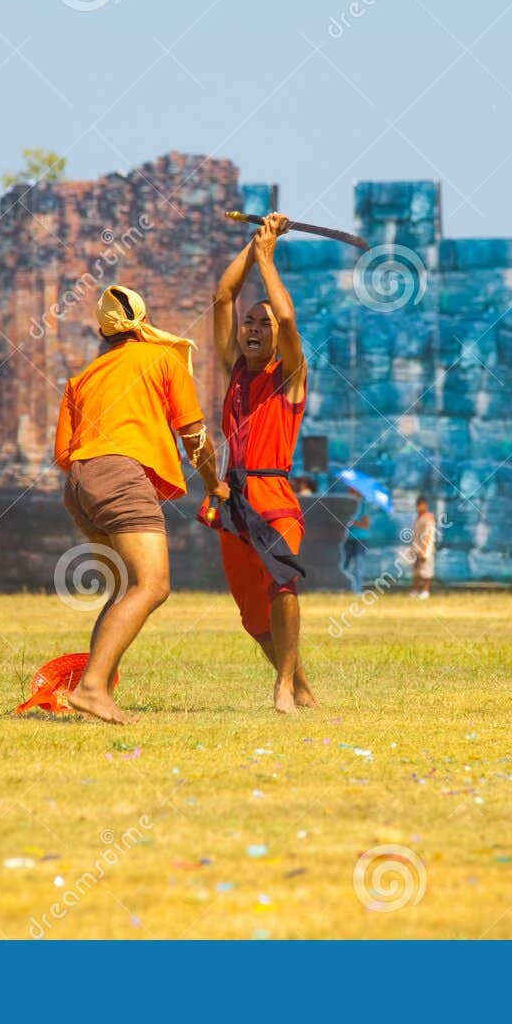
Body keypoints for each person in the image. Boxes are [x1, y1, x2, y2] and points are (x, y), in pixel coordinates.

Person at [53, 284, 227, 724]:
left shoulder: (83, 377)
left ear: (102, 330)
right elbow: (195, 437)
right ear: (144, 321)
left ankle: (92, 689)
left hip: (79, 482)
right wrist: (214, 484)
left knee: (122, 589)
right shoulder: (162, 359)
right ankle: (92, 688)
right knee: (152, 586)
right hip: (119, 476)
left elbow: (63, 454)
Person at [208, 211, 318, 714]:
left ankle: (282, 689)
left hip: (274, 496)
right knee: (253, 616)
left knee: (282, 585)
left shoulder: (290, 374)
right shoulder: (235, 368)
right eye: (250, 323)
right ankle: (300, 686)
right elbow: (222, 298)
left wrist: (269, 261)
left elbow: (289, 318)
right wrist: (254, 249)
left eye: (262, 323)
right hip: (232, 500)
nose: (253, 328)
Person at [340, 492, 371, 595]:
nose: (350, 490)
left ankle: (357, 590)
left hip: (360, 539)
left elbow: (365, 524)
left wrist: (353, 523)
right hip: (347, 539)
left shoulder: (364, 505)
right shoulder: (347, 504)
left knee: (359, 565)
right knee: (344, 564)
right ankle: (344, 588)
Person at [409, 496, 438, 599]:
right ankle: (415, 590)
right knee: (416, 571)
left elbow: (428, 535)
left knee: (426, 572)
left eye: (422, 505)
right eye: (418, 505)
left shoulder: (429, 517)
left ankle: (425, 591)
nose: (420, 507)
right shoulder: (418, 517)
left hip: (426, 549)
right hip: (416, 548)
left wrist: (425, 551)